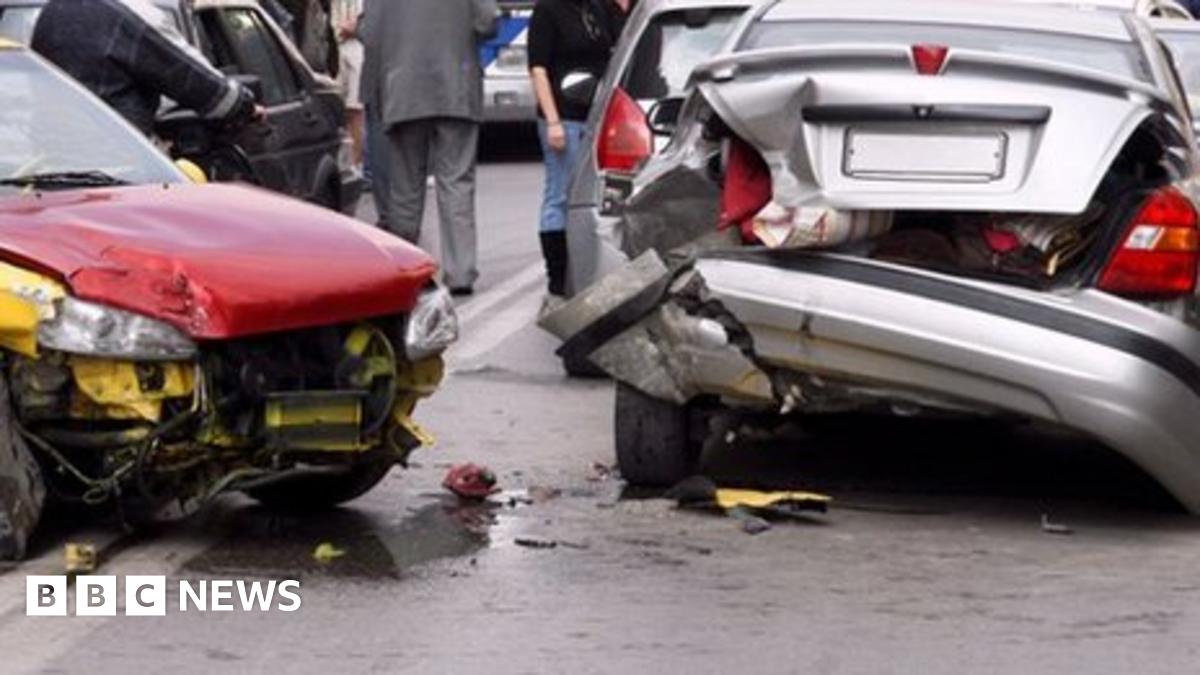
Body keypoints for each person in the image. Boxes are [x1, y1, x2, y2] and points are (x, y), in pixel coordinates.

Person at [361, 0, 499, 295]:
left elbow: (370, 33)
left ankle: (412, 270)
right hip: (456, 86)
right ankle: (460, 273)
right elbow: (487, 21)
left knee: (405, 188)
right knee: (457, 182)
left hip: (402, 89)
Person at [528, 0, 634, 304]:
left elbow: (618, 47)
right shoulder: (548, 9)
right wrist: (553, 121)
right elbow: (538, 70)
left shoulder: (596, 8)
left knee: (598, 196)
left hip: (598, 117)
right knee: (560, 195)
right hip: (565, 118)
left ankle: (591, 273)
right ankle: (557, 283)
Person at [31, 0, 258, 136]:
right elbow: (205, 89)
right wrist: (245, 107)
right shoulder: (130, 14)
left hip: (51, 158)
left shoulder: (52, 11)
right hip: (120, 162)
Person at [331, 0, 365, 172]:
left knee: (355, 109)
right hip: (340, 44)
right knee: (344, 108)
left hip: (358, 45)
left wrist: (353, 28)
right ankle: (352, 160)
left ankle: (357, 163)